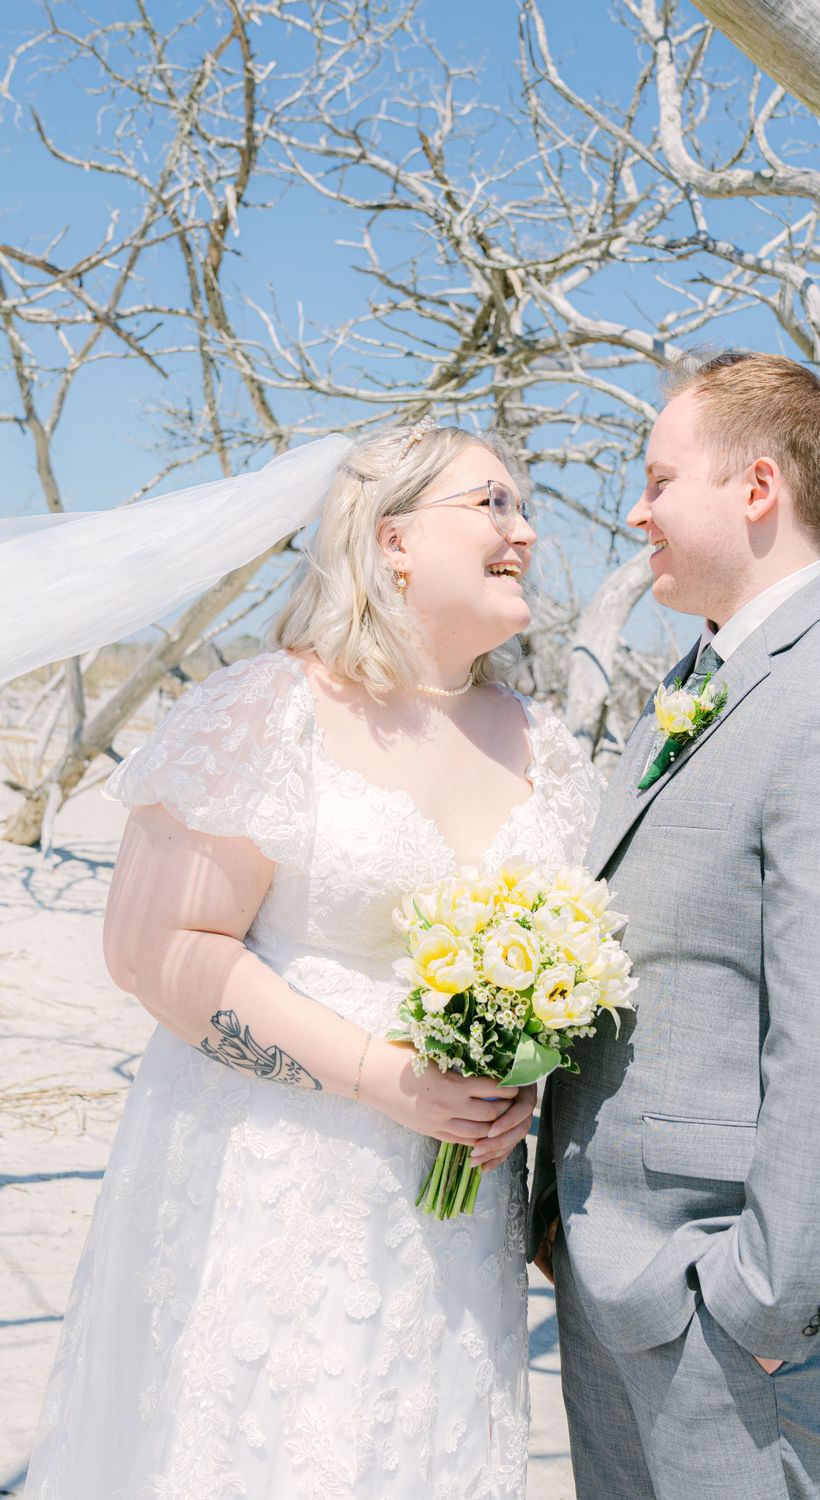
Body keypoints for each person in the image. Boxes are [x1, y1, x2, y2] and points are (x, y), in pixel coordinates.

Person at [23, 420, 602, 1499]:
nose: (524, 530)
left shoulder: (549, 750)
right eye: (491, 505)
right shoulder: (268, 714)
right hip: (275, 1195)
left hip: (458, 1221)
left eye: (523, 509)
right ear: (389, 539)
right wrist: (385, 1078)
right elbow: (156, 953)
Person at [529, 352, 820, 1500]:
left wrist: (767, 1303)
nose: (636, 510)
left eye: (660, 479)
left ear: (757, 489)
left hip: (719, 1299)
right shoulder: (710, 672)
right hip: (613, 1265)